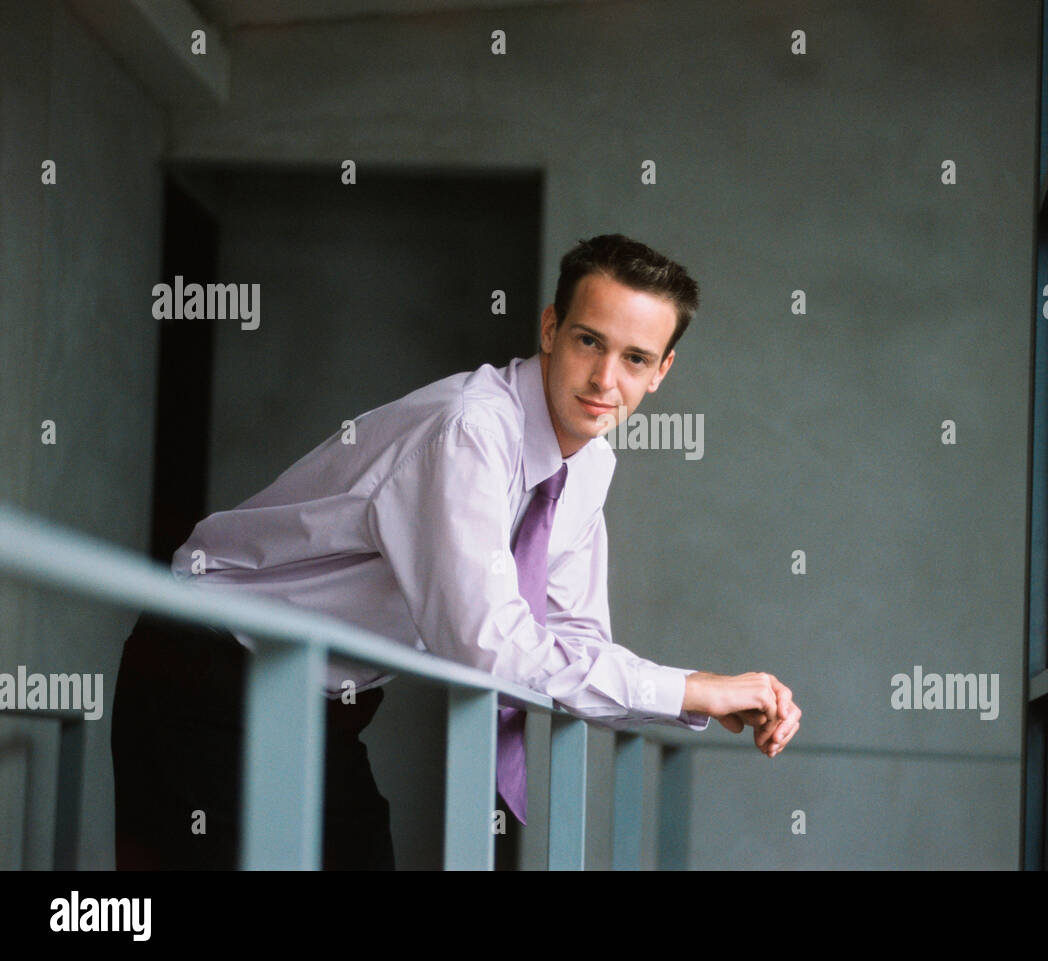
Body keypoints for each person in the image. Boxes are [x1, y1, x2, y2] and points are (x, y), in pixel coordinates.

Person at [111, 233, 801, 871]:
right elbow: (487, 648)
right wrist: (687, 687)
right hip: (206, 672)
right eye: (590, 340)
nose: (604, 379)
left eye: (635, 358)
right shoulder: (471, 431)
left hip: (322, 706)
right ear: (551, 327)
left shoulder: (586, 469)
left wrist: (700, 695)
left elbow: (573, 639)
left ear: (662, 371)